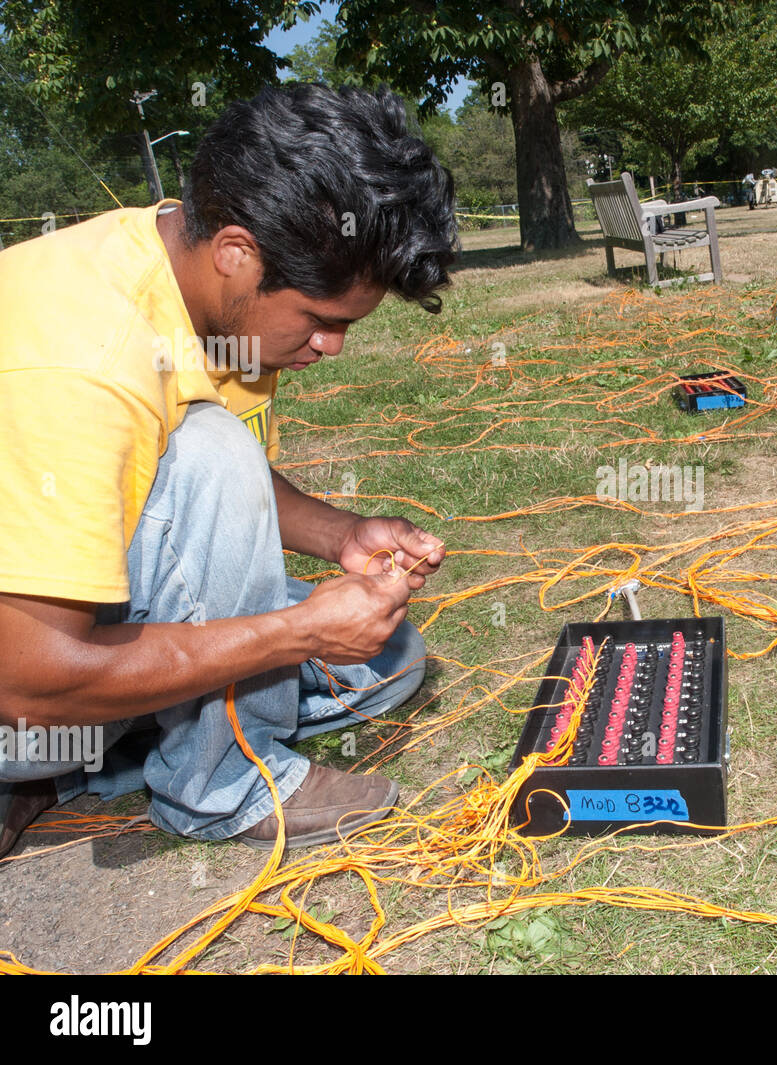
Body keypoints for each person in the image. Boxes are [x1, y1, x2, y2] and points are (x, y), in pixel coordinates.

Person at [0, 84, 460, 857]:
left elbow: (199, 483)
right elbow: (24, 677)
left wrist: (343, 534)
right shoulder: (84, 362)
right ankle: (221, 786)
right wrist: (296, 632)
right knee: (214, 453)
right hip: (20, 683)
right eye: (322, 319)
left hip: (66, 636)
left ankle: (76, 760)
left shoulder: (205, 292)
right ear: (237, 254)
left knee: (388, 661)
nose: (333, 346)